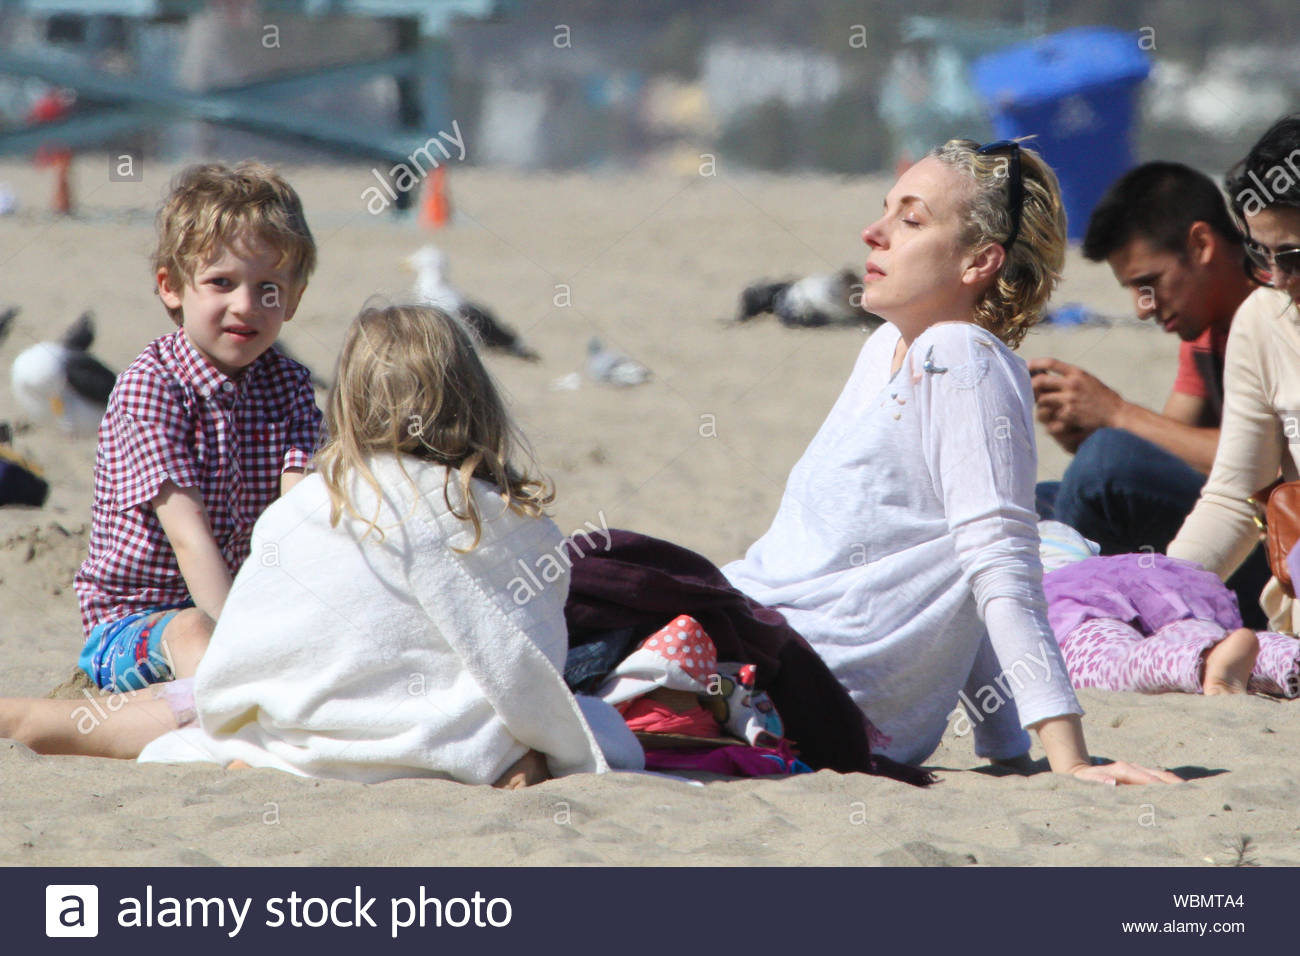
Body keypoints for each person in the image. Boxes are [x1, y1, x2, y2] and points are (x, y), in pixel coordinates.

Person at [1, 305, 637, 787]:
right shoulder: (504, 522)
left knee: (172, 713)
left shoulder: (304, 508)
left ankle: (20, 718)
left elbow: (259, 645)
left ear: (351, 408)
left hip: (291, 732)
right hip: (434, 745)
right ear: (475, 403)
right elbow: (528, 664)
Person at [723, 138, 1179, 784]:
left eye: (910, 220)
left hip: (790, 685)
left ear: (979, 262)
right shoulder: (887, 347)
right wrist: (1003, 744)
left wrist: (1067, 758)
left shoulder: (959, 355)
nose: (872, 233)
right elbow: (944, 566)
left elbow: (998, 562)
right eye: (886, 211)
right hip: (757, 633)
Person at [72, 162, 322, 692]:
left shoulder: (290, 384)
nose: (246, 306)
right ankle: (228, 713)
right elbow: (189, 538)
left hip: (247, 603)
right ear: (172, 287)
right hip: (139, 619)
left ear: (295, 298)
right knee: (193, 633)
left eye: (269, 288)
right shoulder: (152, 387)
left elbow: (302, 516)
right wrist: (242, 639)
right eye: (221, 283)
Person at [1028, 163, 1268, 626]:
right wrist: (1088, 431)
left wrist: (1116, 417)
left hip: (1264, 547)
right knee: (1040, 501)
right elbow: (1167, 452)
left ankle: (1072, 623)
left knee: (1106, 461)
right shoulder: (1205, 330)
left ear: (1201, 244)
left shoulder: (1275, 313)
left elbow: (1268, 463)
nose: (1144, 308)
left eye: (1149, 284)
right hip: (1215, 529)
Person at [1169, 114, 1300, 634]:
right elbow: (1233, 499)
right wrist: (1165, 596)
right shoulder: (1264, 321)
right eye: (1260, 254)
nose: (1277, 280)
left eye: (1292, 257)